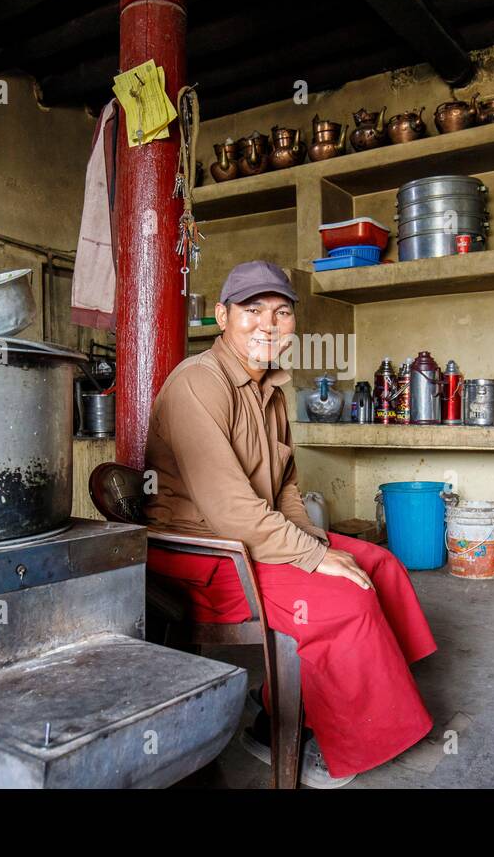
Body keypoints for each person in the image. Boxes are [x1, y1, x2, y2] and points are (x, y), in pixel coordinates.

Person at [145, 260, 436, 787]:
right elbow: (230, 511)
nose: (267, 325)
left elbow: (286, 490)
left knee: (380, 564)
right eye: (251, 311)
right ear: (221, 317)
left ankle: (284, 707)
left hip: (252, 536)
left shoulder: (273, 392)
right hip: (206, 555)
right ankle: (332, 735)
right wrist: (314, 558)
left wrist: (316, 542)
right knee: (345, 599)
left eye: (281, 313)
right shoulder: (197, 384)